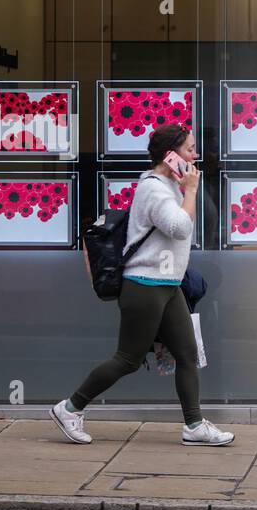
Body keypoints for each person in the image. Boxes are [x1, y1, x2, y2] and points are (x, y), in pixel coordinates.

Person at [51, 124, 234, 447]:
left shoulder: (171, 185)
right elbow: (179, 228)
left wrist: (190, 188)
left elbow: (206, 217)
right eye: (190, 149)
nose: (196, 155)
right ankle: (70, 408)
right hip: (144, 285)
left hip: (168, 285)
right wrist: (190, 190)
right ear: (171, 155)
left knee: (188, 355)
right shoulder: (153, 188)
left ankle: (193, 425)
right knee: (128, 359)